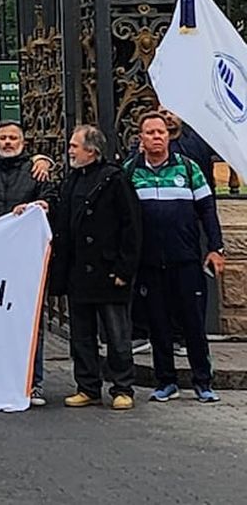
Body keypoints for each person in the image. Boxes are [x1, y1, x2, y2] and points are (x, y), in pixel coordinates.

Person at [128, 112, 225, 404]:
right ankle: (166, 381)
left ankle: (202, 381)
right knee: (158, 324)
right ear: (141, 139)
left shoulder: (189, 167)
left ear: (168, 136)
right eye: (150, 133)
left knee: (193, 323)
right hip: (149, 261)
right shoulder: (130, 170)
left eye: (161, 132)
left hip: (185, 259)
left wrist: (216, 248)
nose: (156, 137)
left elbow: (207, 209)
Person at [0, 120, 57, 406]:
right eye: (2, 137)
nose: (7, 142)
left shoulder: (36, 172)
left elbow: (51, 199)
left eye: (12, 137)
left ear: (23, 142)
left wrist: (37, 207)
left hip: (26, 264)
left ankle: (34, 382)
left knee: (31, 322)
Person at [51, 125, 142, 411]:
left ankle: (122, 387)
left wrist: (124, 269)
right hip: (79, 273)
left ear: (91, 150)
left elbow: (132, 227)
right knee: (82, 336)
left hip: (109, 271)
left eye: (74, 146)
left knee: (117, 336)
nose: (70, 151)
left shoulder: (115, 180)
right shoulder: (72, 180)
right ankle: (87, 387)